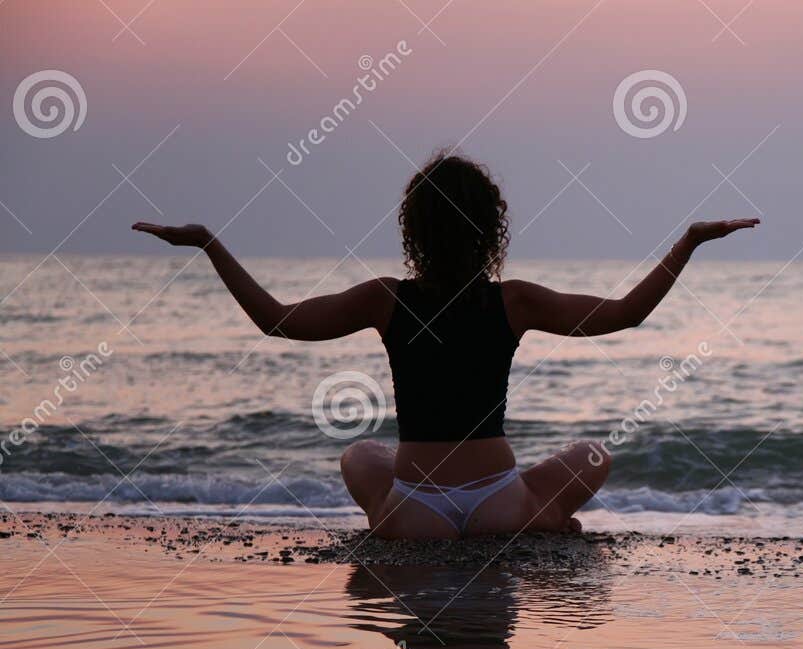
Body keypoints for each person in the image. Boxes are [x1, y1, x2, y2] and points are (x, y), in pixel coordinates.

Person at [133, 151, 757, 539]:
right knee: (594, 454)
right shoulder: (513, 301)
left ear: (414, 230)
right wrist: (688, 243)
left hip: (415, 510)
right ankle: (539, 520)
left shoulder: (385, 298)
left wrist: (209, 244)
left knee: (359, 455)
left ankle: (390, 522)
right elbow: (625, 314)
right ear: (490, 229)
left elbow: (276, 320)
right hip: (499, 505)